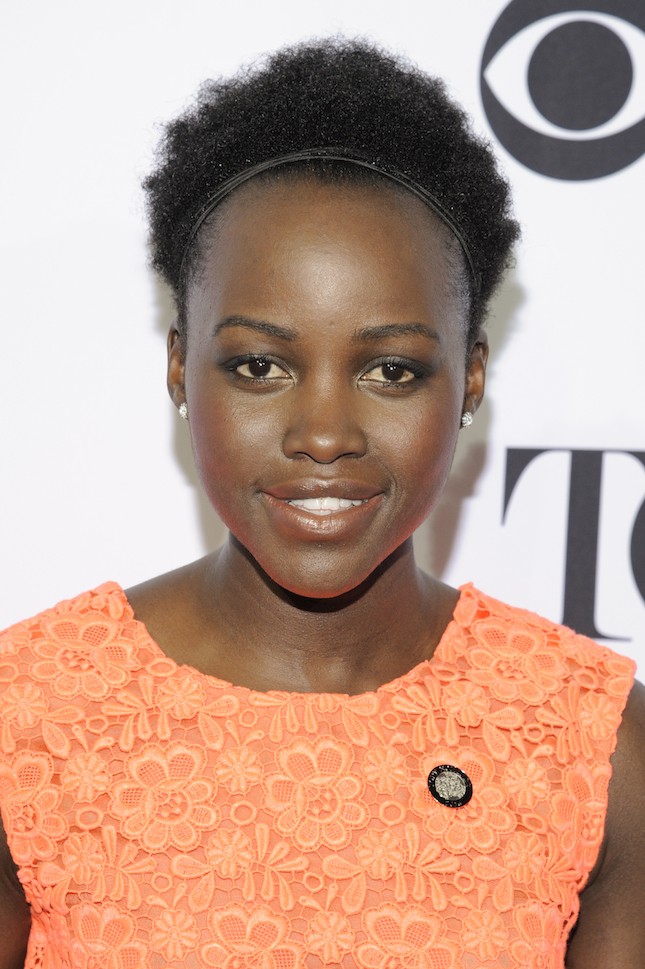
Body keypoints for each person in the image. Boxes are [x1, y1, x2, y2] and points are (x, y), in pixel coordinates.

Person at [0, 38, 643, 969]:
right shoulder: (28, 717)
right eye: (260, 365)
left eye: (391, 369)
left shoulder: (596, 747)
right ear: (182, 367)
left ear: (467, 382)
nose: (325, 432)